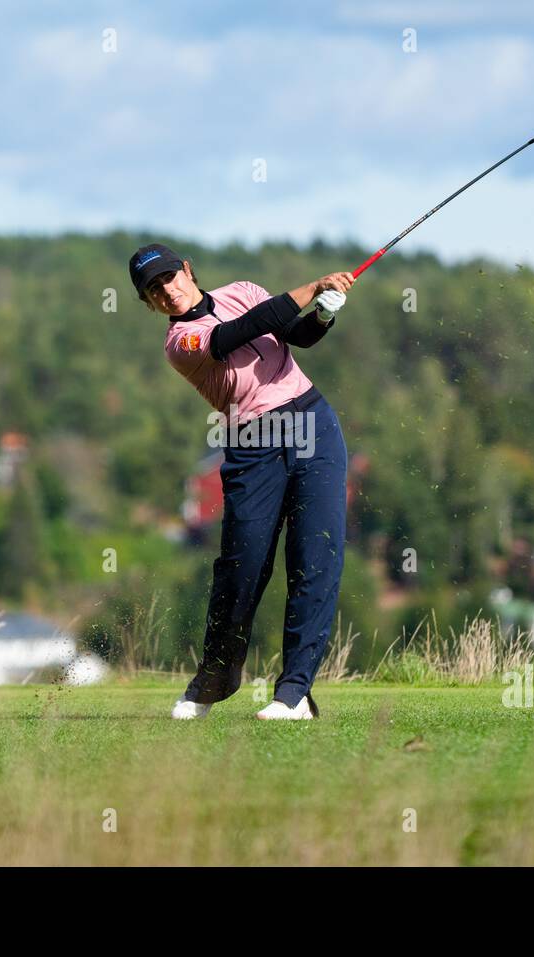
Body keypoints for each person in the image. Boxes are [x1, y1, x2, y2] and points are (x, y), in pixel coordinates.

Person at [129, 243, 355, 720]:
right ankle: (214, 680)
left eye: (170, 277)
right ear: (149, 304)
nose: (167, 291)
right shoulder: (181, 343)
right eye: (154, 290)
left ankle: (293, 693)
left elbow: (295, 335)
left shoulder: (245, 290)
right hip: (253, 443)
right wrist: (313, 286)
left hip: (312, 424)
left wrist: (322, 315)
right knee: (242, 567)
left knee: (315, 557)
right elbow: (236, 334)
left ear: (187, 269)